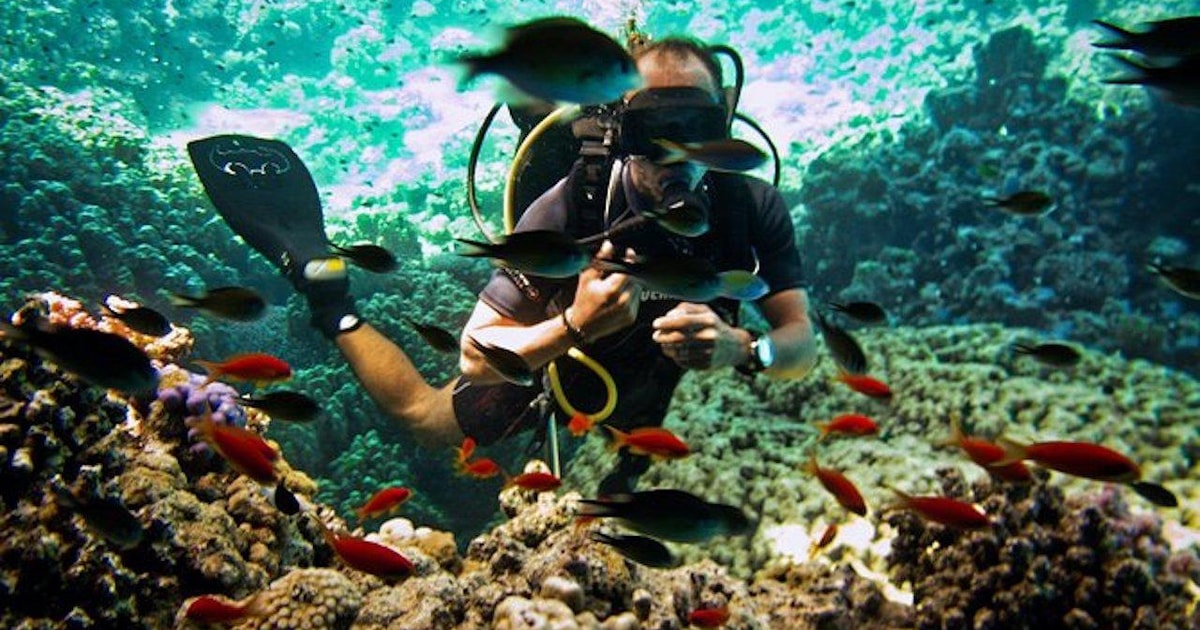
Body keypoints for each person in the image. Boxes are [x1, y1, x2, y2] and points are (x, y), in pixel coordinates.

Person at [190, 35, 818, 495]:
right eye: (655, 128)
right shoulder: (576, 200)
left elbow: (801, 343)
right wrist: (573, 325)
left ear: (727, 118)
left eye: (697, 126)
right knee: (428, 419)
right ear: (620, 125)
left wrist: (744, 348)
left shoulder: (748, 205)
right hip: (568, 361)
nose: (677, 154)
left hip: (667, 393)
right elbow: (472, 353)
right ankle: (330, 300)